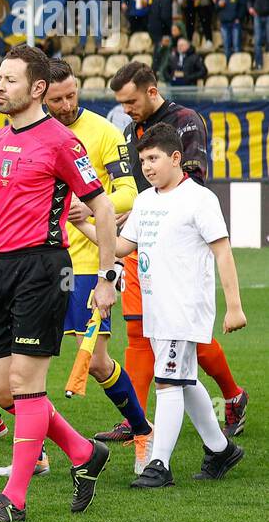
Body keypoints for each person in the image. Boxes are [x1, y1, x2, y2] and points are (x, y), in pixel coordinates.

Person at [0, 45, 118, 522]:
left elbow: (101, 207)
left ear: (37, 88)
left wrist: (106, 277)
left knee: (26, 383)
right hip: (2, 268)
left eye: (9, 80)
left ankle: (13, 499)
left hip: (43, 268)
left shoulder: (61, 141)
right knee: (0, 388)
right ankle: (84, 451)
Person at [77, 123, 245, 489]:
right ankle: (221, 450)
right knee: (183, 380)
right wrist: (84, 224)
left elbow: (222, 251)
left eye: (153, 158)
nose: (147, 167)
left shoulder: (199, 199)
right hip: (157, 309)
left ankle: (159, 465)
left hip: (185, 308)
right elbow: (121, 247)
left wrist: (234, 307)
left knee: (168, 382)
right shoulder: (145, 200)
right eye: (142, 161)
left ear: (176, 158)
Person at [108, 62, 248, 437]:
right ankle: (136, 419)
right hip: (141, 241)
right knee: (139, 331)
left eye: (131, 101)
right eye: (121, 103)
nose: (126, 109)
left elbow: (192, 182)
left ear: (152, 92)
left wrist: (145, 212)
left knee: (187, 339)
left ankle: (232, 396)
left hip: (177, 244)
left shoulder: (186, 121)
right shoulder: (131, 130)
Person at [42, 61, 152, 476]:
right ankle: (34, 453)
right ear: (39, 95)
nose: (67, 104)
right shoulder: (30, 134)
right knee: (23, 363)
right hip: (39, 261)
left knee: (98, 362)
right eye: (57, 99)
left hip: (88, 263)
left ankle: (142, 431)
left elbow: (129, 193)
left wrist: (88, 207)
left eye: (72, 95)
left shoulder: (104, 133)